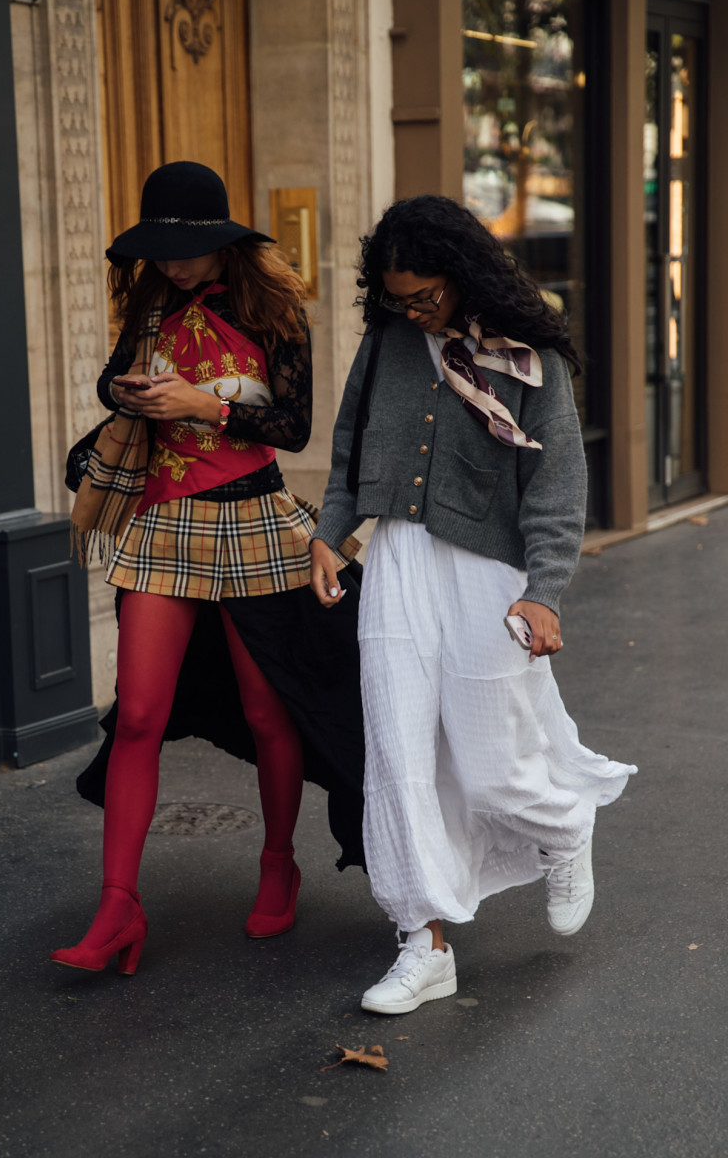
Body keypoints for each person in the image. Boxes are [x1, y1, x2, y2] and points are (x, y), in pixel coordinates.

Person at [310, 195, 637, 1015]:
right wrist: (332, 531)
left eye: (426, 296)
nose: (413, 309)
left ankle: (564, 825)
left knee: (492, 759)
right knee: (397, 754)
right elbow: (351, 440)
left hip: (492, 569)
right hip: (398, 561)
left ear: (462, 275)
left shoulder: (531, 356)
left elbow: (559, 481)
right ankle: (423, 943)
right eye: (399, 297)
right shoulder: (388, 339)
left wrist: (545, 592)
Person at [51, 162, 364, 976]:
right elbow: (110, 376)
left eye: (183, 253)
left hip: (255, 520)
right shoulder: (153, 299)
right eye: (159, 253)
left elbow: (294, 427)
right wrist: (126, 390)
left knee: (269, 713)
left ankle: (277, 864)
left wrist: (207, 406)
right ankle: (118, 905)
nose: (171, 266)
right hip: (163, 520)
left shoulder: (274, 308)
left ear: (223, 243)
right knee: (142, 713)